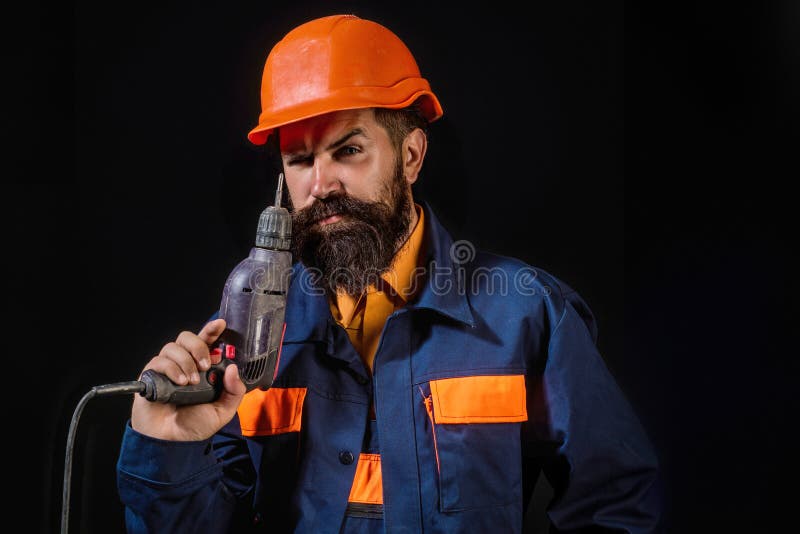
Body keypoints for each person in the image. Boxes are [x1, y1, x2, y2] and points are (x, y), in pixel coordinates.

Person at [116, 14, 661, 533]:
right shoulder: (251, 335)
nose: (321, 184)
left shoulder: (526, 316)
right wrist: (168, 447)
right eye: (300, 160)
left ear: (411, 156)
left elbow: (615, 504)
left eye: (348, 150)